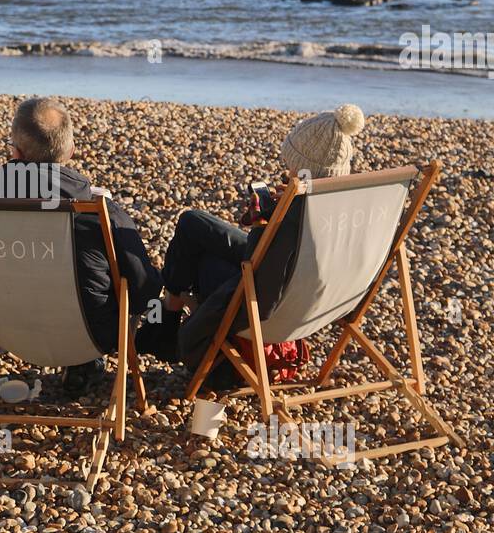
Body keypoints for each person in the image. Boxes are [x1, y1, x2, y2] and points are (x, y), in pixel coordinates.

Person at [136, 104, 366, 388]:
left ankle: (166, 319)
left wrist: (266, 221)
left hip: (270, 302)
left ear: (303, 166)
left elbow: (259, 271)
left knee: (202, 255)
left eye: (292, 165)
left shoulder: (295, 212)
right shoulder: (346, 207)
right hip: (320, 304)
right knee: (193, 223)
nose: (287, 170)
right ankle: (168, 313)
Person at [0, 97, 162, 395]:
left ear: (15, 152)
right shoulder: (97, 209)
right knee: (109, 280)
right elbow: (144, 285)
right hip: (91, 334)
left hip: (6, 330)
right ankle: (83, 363)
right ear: (70, 151)